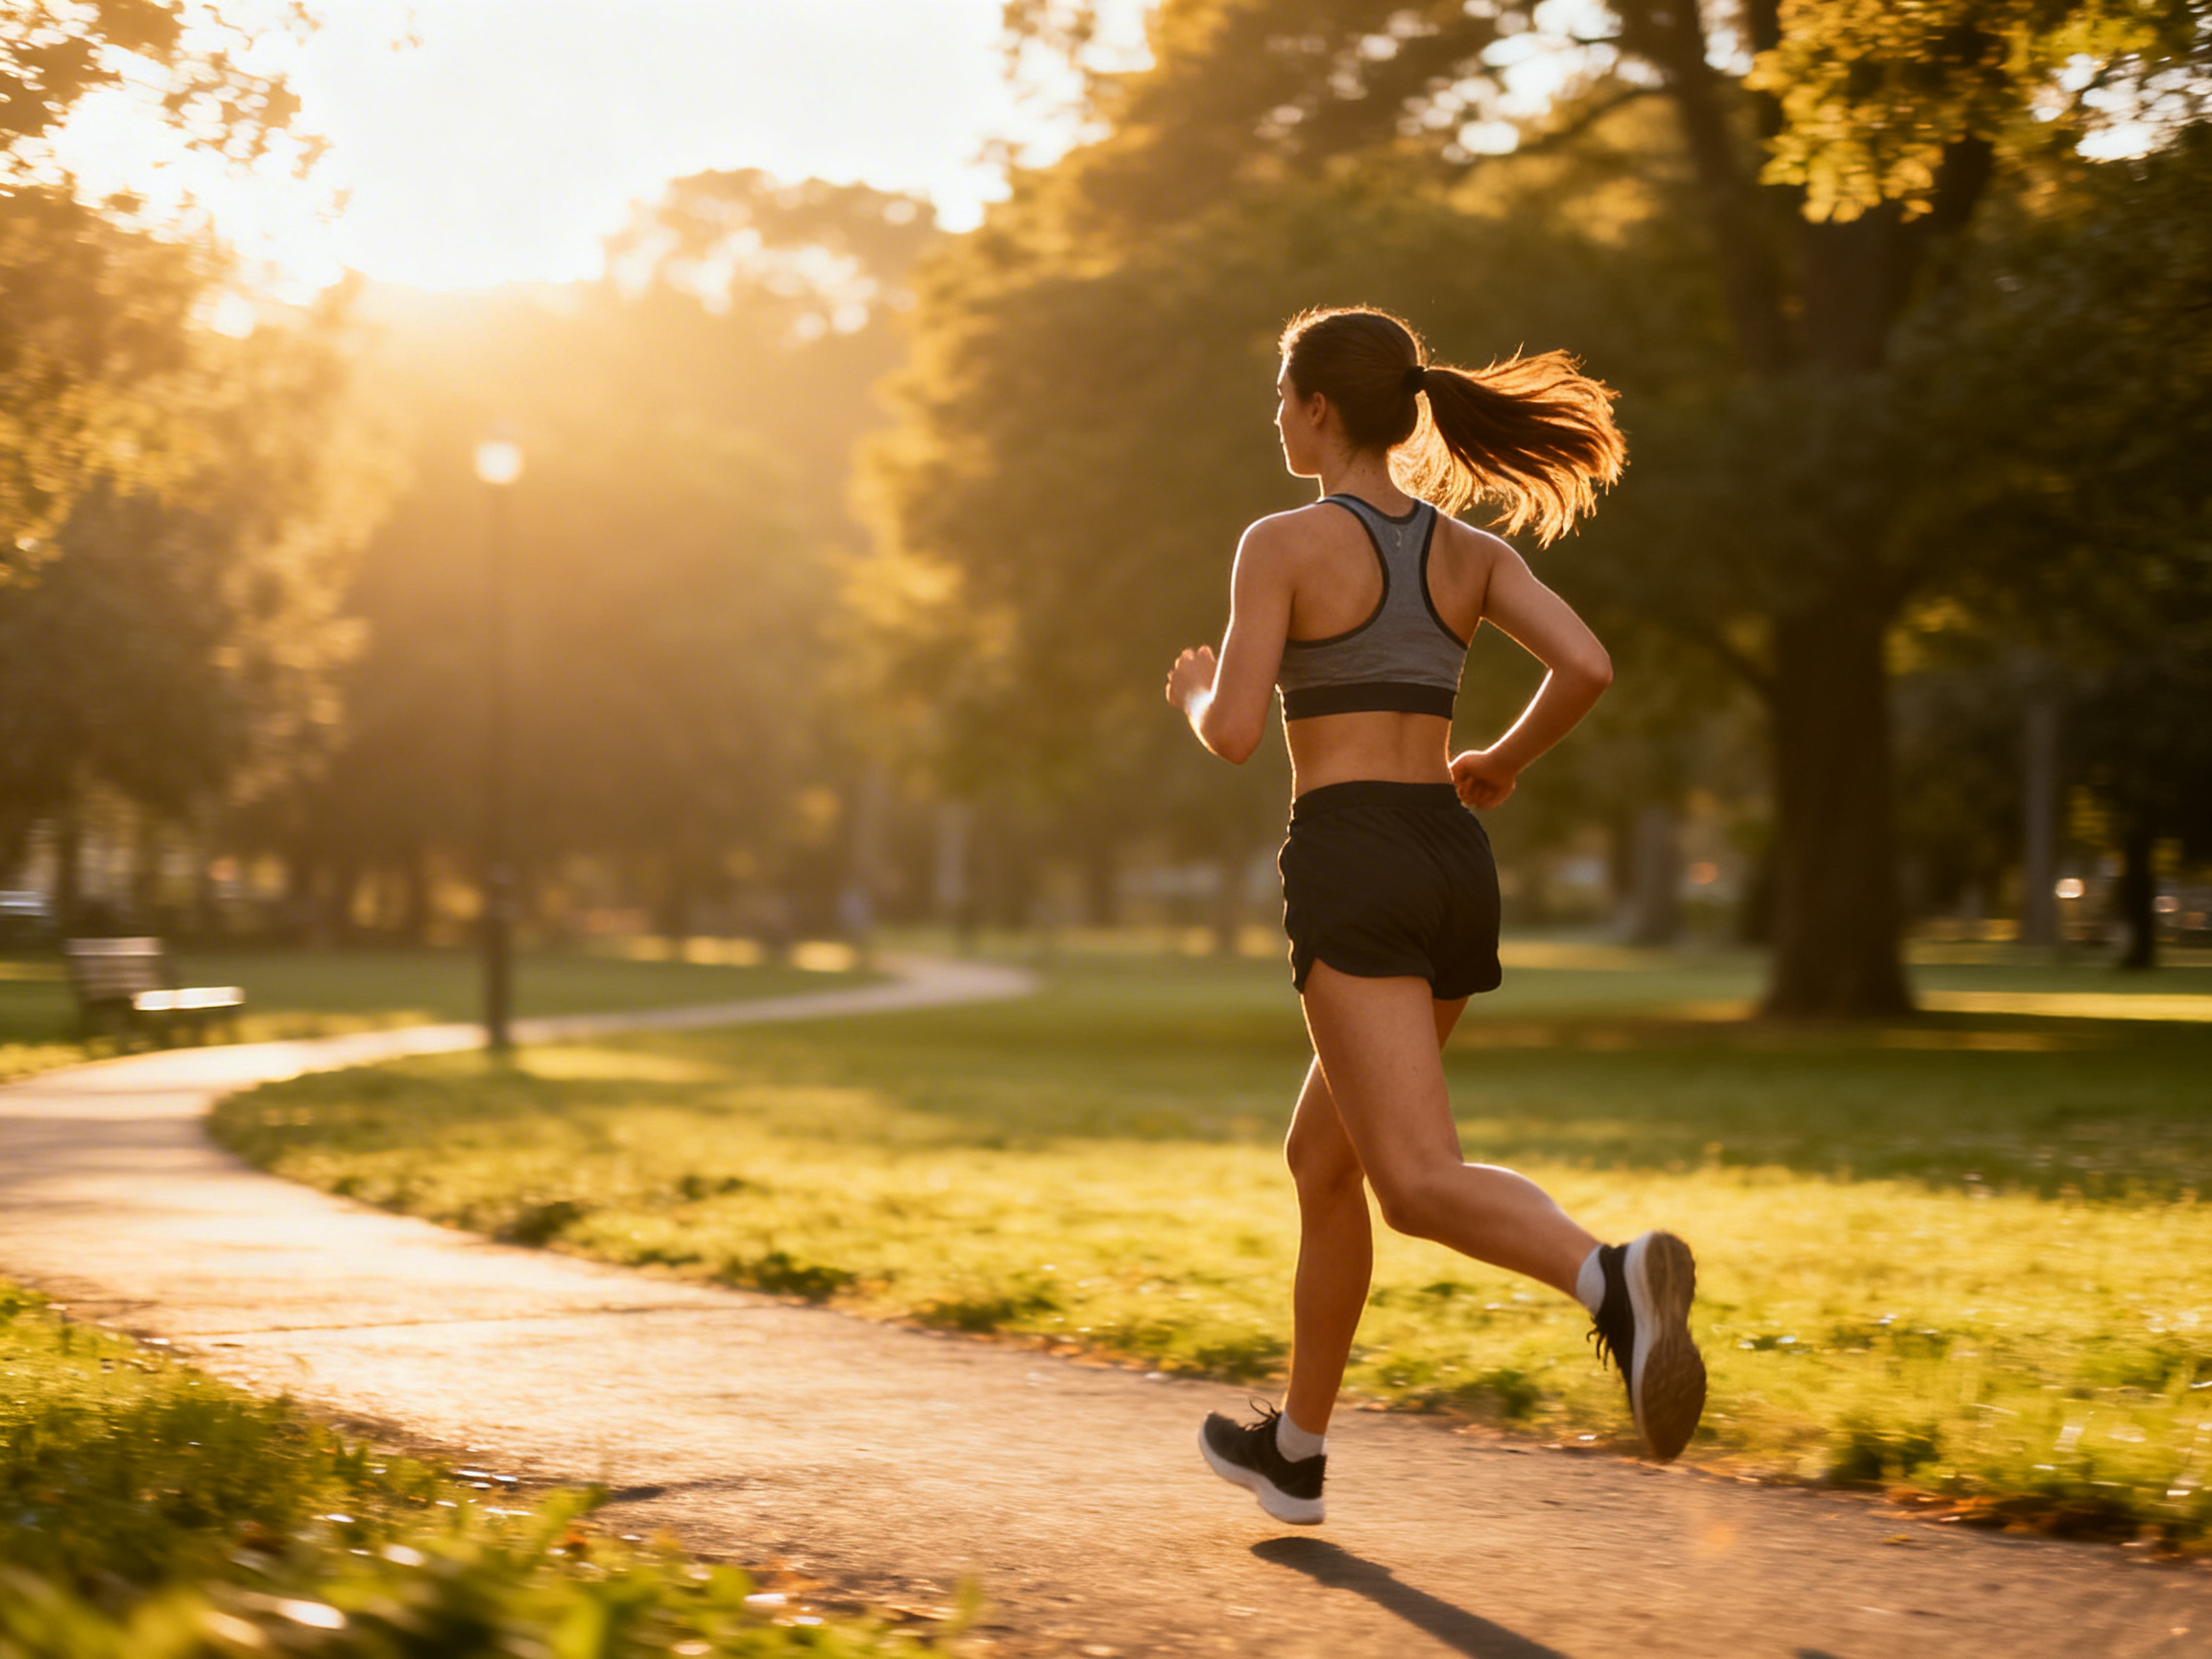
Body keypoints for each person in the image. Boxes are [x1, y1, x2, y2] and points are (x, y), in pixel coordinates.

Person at [1164, 305, 1705, 1527]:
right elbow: (1588, 666)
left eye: (1281, 397)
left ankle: (1609, 1278)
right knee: (1325, 1160)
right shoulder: (1469, 554)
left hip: (1353, 855)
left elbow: (1237, 733)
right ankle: (1294, 1451)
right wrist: (1501, 760)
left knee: (1412, 1181)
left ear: (1318, 410)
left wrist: (1195, 692)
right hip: (1453, 859)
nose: (1275, 417)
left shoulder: (1280, 543)